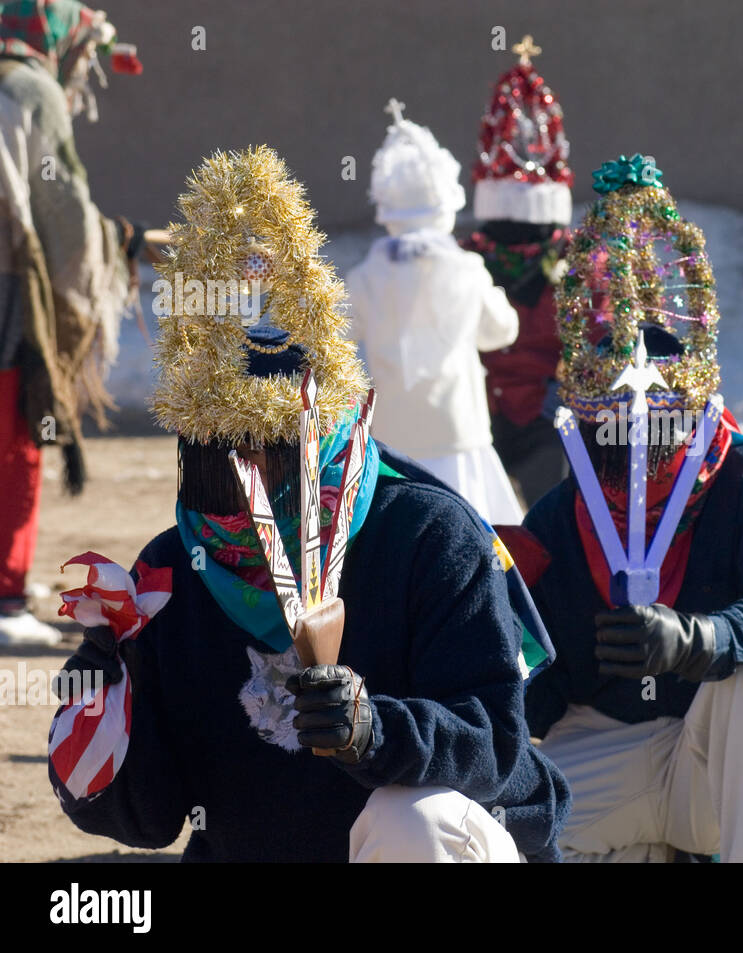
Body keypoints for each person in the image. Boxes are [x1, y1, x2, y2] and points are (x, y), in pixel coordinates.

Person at [50, 148, 569, 862]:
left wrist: (374, 730)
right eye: (216, 446)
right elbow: (149, 819)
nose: (244, 469)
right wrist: (102, 689)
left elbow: (495, 743)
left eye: (267, 444)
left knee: (409, 817)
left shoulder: (425, 534)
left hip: (427, 846)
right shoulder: (172, 571)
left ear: (313, 433)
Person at [520, 154, 743, 862]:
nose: (625, 445)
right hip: (601, 746)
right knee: (485, 819)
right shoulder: (559, 517)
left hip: (709, 755)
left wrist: (697, 640)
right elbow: (539, 689)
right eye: (606, 426)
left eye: (649, 424)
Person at [0, 0, 144, 645]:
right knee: (13, 430)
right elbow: (64, 213)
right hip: (9, 281)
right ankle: (4, 602)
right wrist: (118, 243)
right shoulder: (29, 88)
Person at [346, 100, 523, 523]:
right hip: (458, 430)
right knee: (472, 533)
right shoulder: (467, 269)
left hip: (393, 434)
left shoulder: (367, 275)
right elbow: (501, 332)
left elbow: (338, 333)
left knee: (401, 531)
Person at [464, 35, 573, 507]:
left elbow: (599, 338)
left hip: (546, 422)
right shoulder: (462, 261)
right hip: (474, 418)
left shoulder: (578, 265)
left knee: (548, 528)